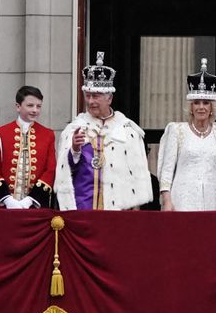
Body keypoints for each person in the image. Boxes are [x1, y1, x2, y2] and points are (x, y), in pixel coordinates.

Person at [56, 52, 152, 211]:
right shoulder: (74, 129)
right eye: (88, 96)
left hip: (118, 212)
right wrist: (74, 149)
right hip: (82, 207)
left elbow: (136, 177)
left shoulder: (128, 131)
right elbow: (64, 173)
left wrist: (135, 211)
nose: (90, 101)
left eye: (96, 96)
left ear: (109, 98)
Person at [158, 59, 216, 212]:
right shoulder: (177, 130)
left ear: (212, 107)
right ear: (190, 107)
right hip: (182, 202)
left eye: (206, 103)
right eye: (196, 103)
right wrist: (167, 201)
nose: (201, 107)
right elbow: (166, 172)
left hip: (214, 202)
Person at [0, 86, 57, 209]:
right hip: (5, 208)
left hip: (36, 207)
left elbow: (50, 170)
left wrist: (31, 200)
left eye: (38, 106)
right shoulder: (1, 133)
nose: (35, 110)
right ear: (18, 106)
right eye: (30, 105)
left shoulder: (48, 134)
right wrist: (7, 200)